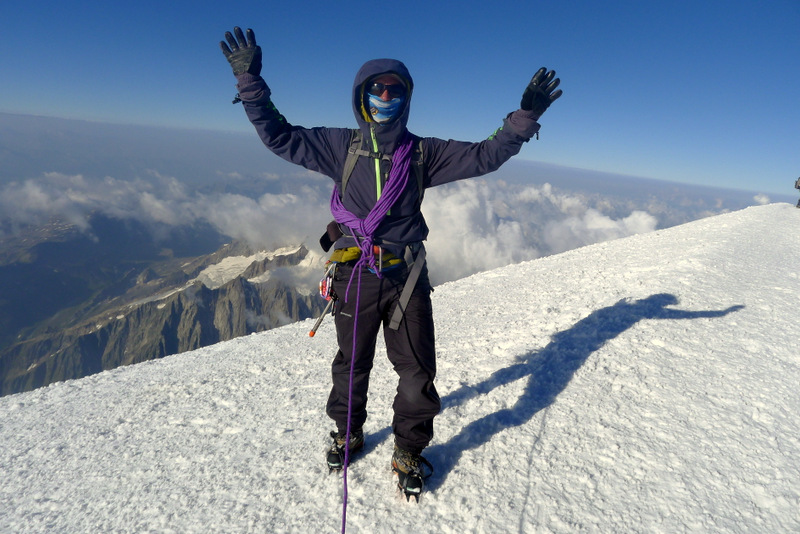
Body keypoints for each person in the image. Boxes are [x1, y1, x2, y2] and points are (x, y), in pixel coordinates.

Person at [220, 27, 562, 498]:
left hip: (405, 275)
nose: (386, 96)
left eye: (395, 90)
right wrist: (250, 83)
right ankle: (348, 431)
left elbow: (485, 156)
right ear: (361, 96)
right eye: (377, 89)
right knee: (352, 362)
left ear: (407, 98)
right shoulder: (341, 146)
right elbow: (280, 136)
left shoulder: (423, 153)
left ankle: (408, 448)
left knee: (417, 368)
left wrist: (524, 117)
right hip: (356, 271)